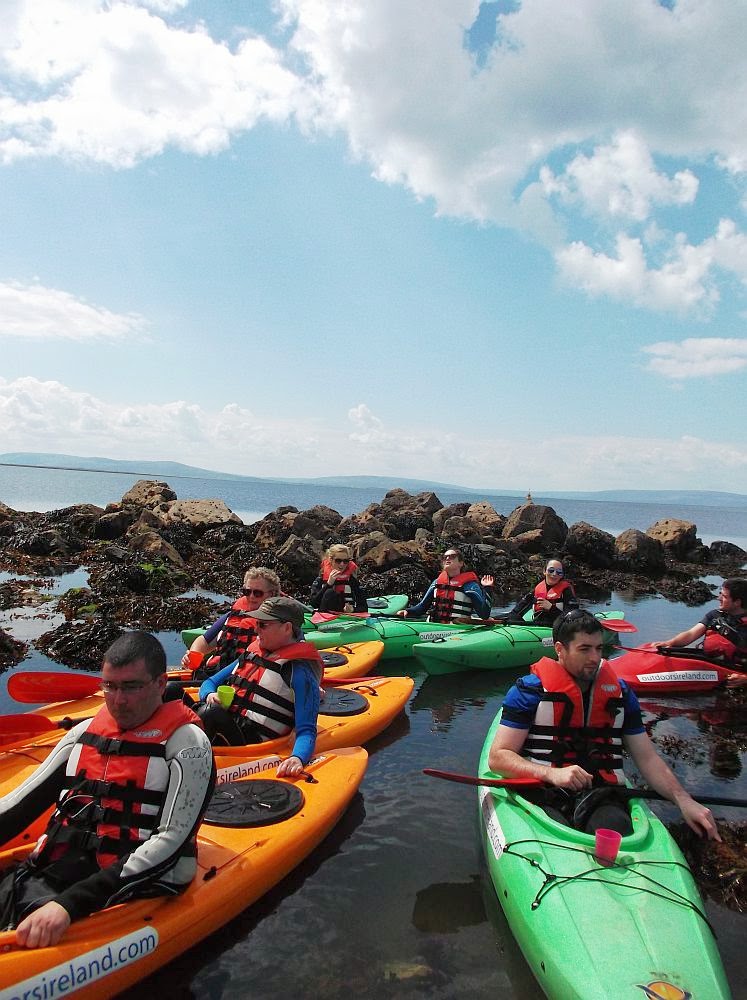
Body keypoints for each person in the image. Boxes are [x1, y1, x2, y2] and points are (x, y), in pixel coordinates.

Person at [0, 631, 215, 949]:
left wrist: (68, 905)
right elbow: (21, 803)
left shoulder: (188, 745)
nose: (118, 699)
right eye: (110, 686)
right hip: (59, 868)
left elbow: (171, 841)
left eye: (131, 686)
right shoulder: (83, 732)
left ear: (160, 683)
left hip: (140, 881)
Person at [487, 610, 720, 839]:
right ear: (560, 649)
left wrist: (683, 799)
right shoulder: (528, 691)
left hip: (599, 795)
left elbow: (647, 759)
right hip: (540, 792)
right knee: (555, 836)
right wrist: (550, 774)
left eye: (598, 648)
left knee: (616, 828)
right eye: (584, 649)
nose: (594, 658)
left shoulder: (621, 694)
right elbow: (498, 758)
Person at [195, 596, 323, 778]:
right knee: (174, 690)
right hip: (228, 723)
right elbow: (209, 683)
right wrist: (209, 695)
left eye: (263, 625)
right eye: (257, 623)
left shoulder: (300, 672)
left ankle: (186, 768)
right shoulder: (253, 653)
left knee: (210, 713)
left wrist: (297, 758)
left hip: (251, 744)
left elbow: (307, 729)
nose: (256, 629)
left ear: (287, 628)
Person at [182, 567, 281, 678]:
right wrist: (193, 655)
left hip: (244, 682)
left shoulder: (279, 624)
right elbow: (204, 641)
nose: (251, 596)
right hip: (215, 675)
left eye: (257, 593)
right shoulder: (234, 615)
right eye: (247, 592)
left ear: (272, 594)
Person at [658, 578, 747, 687]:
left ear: (737, 602)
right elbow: (690, 634)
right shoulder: (714, 616)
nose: (719, 598)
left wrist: (745, 679)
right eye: (720, 594)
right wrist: (670, 643)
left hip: (735, 676)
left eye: (724, 596)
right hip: (708, 668)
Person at [396, 548, 493, 622]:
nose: (447, 558)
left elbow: (484, 614)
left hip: (458, 628)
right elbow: (422, 607)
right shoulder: (436, 582)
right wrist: (408, 611)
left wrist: (487, 588)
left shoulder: (469, 585)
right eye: (445, 557)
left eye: (452, 556)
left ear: (461, 563)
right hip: (433, 625)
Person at [505, 558, 579, 627]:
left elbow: (571, 618)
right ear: (544, 571)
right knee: (513, 617)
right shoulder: (537, 589)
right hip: (537, 626)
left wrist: (551, 608)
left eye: (559, 572)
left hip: (555, 627)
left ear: (562, 575)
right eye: (551, 570)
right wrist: (495, 619)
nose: (554, 574)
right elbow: (516, 611)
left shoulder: (566, 591)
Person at [309, 544, 368, 613]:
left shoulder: (352, 580)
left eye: (345, 561)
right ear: (331, 560)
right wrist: (328, 584)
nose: (342, 564)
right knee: (329, 592)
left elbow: (364, 607)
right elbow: (313, 604)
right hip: (325, 616)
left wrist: (353, 610)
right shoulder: (320, 579)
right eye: (338, 561)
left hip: (345, 616)